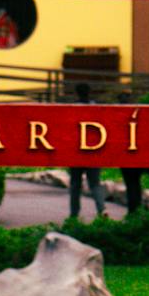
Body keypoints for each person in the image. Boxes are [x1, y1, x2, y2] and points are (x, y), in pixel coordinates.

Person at [66, 80, 107, 218]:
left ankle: (74, 214)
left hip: (76, 152)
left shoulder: (72, 109)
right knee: (95, 183)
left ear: (76, 93)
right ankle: (102, 209)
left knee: (75, 184)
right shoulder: (96, 109)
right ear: (90, 92)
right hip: (94, 151)